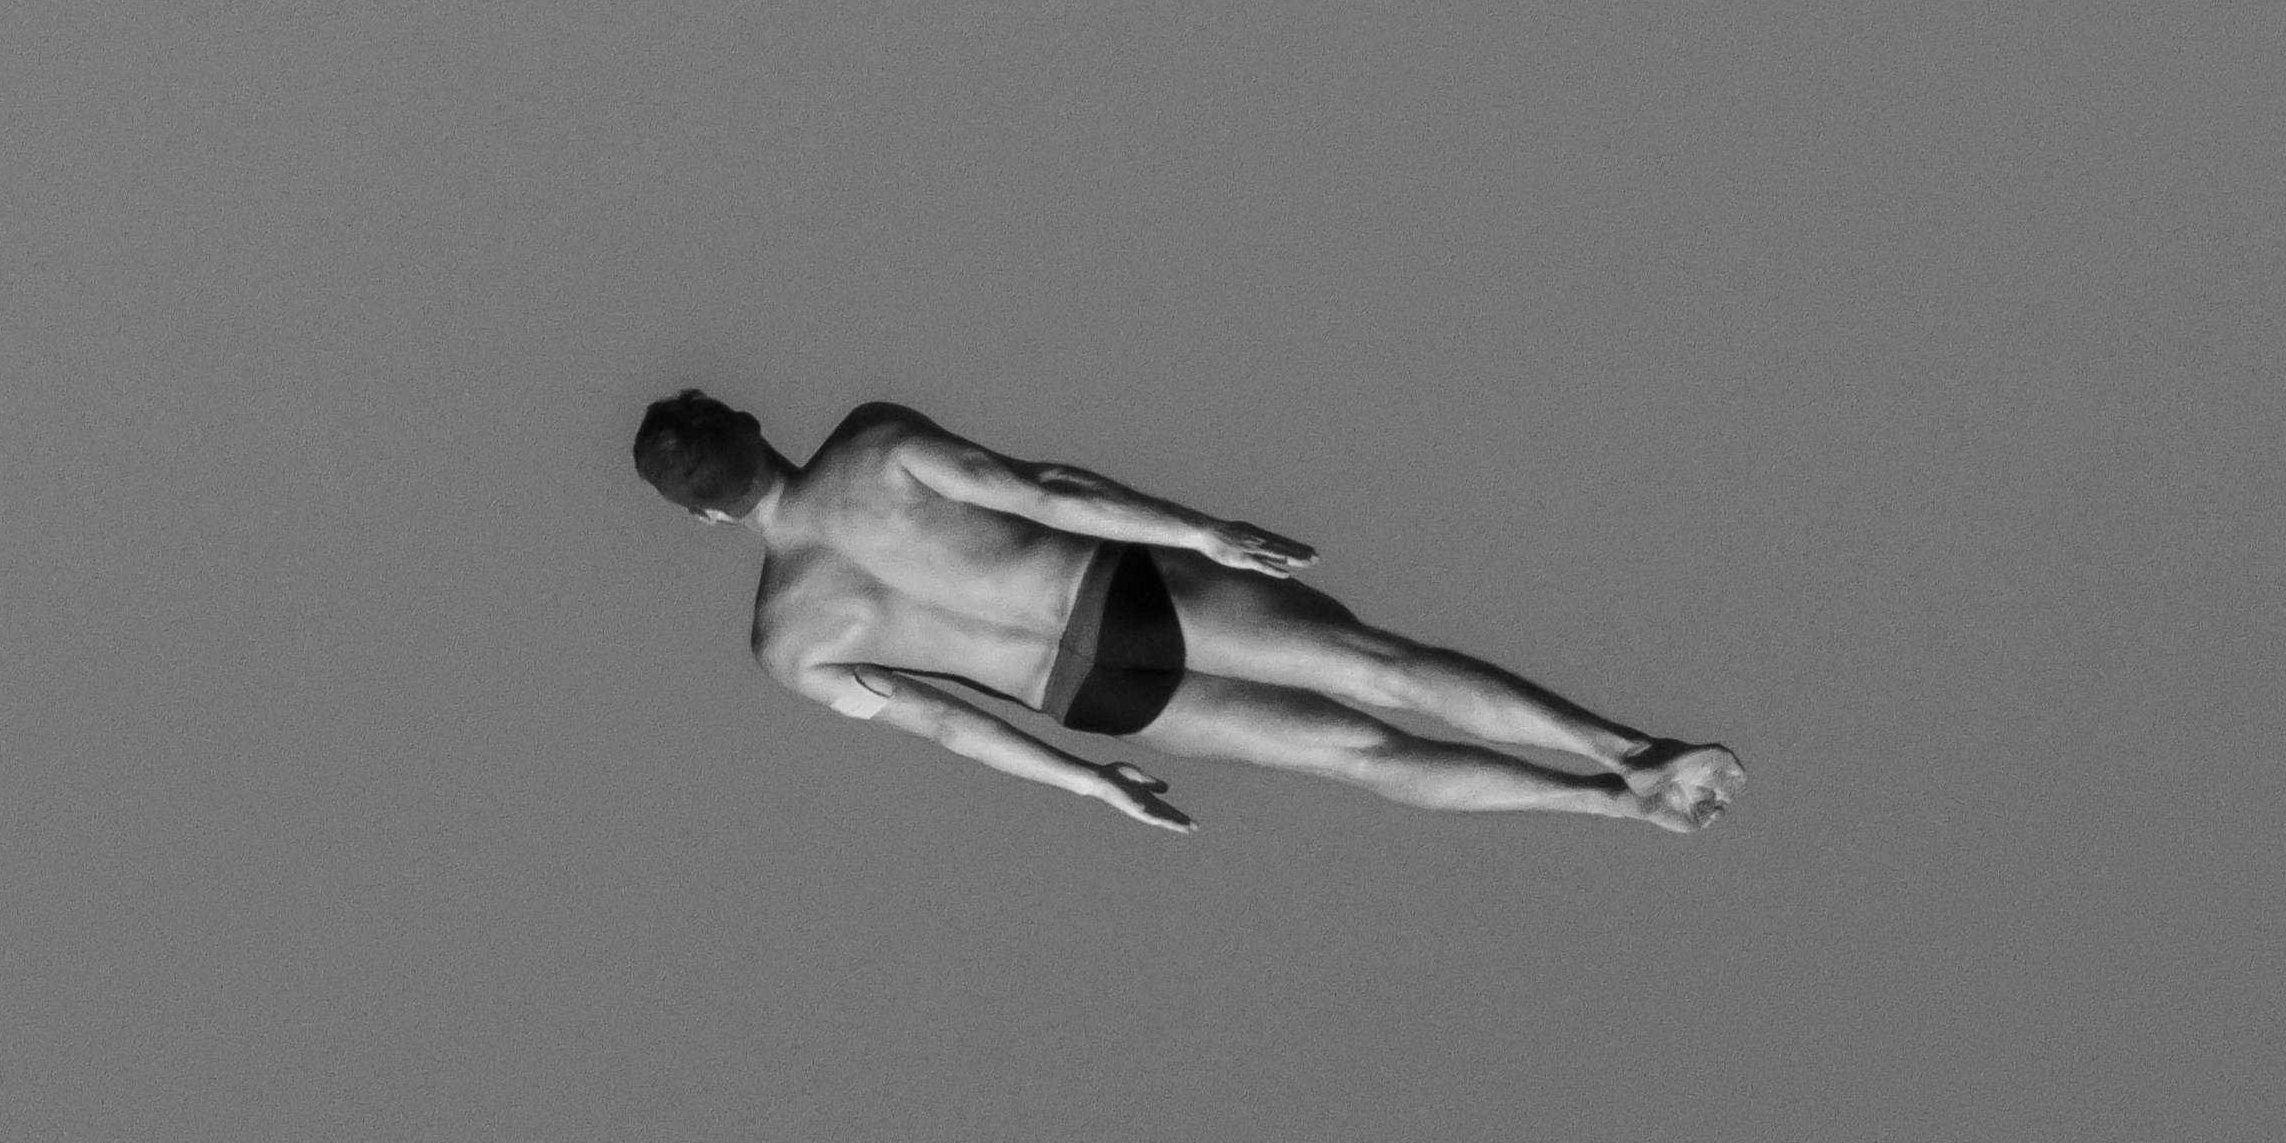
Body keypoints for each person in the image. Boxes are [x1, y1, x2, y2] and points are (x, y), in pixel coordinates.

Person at [631, 390, 1736, 838]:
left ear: (700, 518)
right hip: (1113, 593)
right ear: (751, 422)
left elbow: (948, 725)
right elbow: (1044, 490)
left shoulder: (786, 643)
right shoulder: (870, 447)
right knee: (1379, 669)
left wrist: (1091, 783)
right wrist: (1201, 533)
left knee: (1358, 755)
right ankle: (1628, 752)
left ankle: (1611, 807)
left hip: (1086, 696)